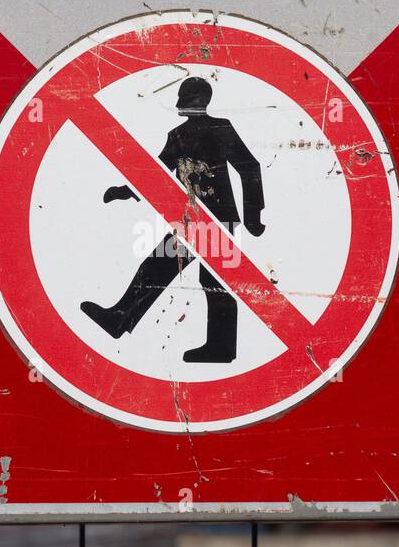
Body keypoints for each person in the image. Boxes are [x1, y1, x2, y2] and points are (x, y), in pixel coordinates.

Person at [81, 77, 265, 363]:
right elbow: (153, 173)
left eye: (191, 100)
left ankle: (220, 347)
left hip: (220, 223)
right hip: (191, 221)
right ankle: (120, 320)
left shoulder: (222, 128)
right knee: (160, 269)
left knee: (211, 283)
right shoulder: (177, 135)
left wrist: (254, 215)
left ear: (201, 101)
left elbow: (249, 167)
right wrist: (123, 191)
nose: (188, 106)